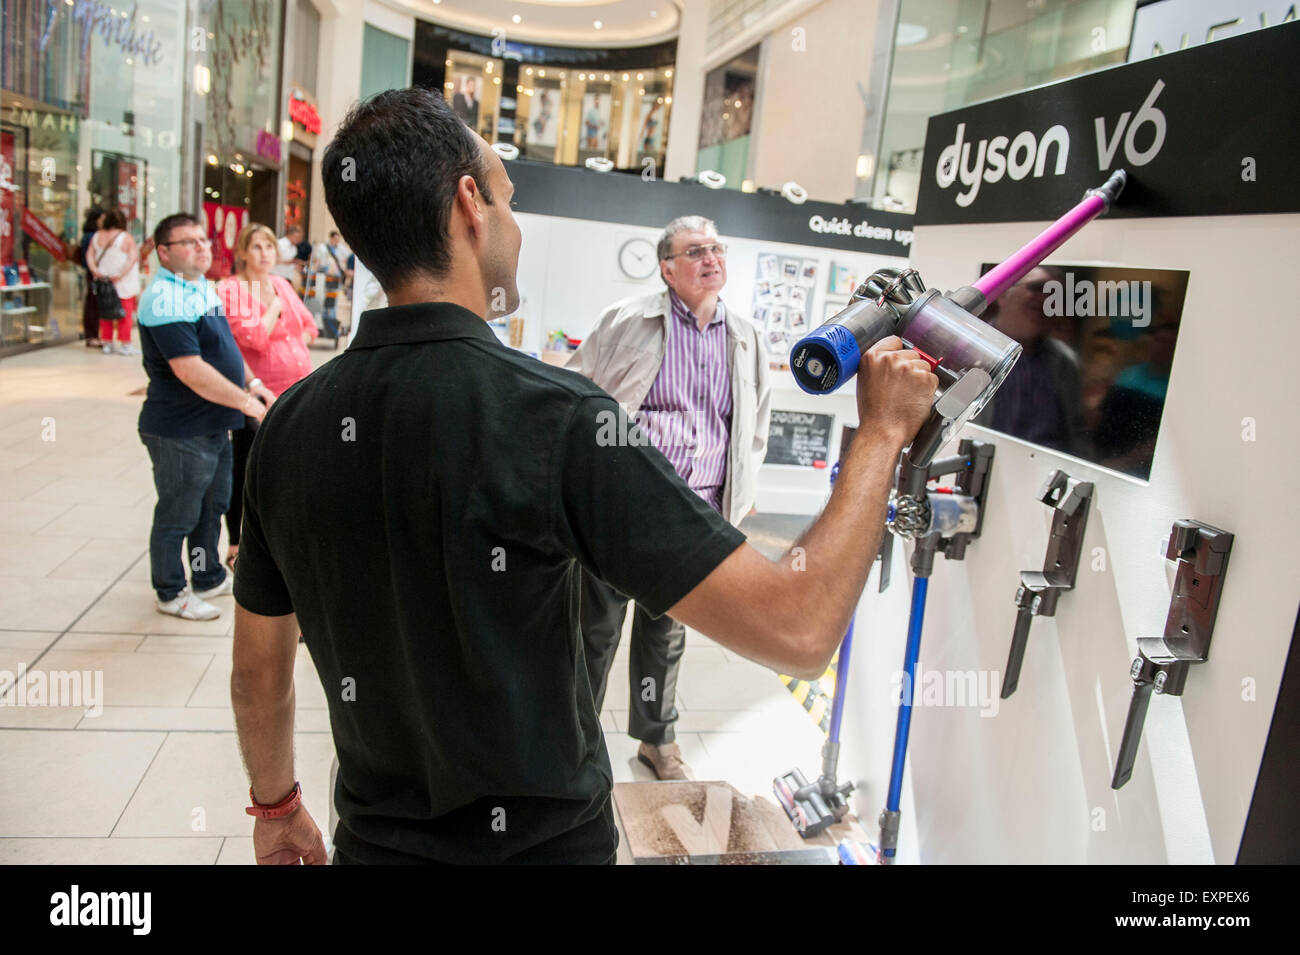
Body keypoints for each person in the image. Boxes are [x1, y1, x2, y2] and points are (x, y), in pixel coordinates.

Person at [229, 87, 935, 866]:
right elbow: (798, 630)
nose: (515, 225)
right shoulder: (554, 419)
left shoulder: (288, 428)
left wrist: (275, 806)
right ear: (470, 204)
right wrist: (880, 433)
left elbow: (259, 669)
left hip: (374, 843)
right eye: (508, 197)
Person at [566, 215, 771, 780]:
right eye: (695, 251)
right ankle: (577, 741)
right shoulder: (629, 320)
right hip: (623, 507)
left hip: (697, 514)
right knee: (596, 629)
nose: (710, 258)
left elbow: (753, 424)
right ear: (667, 268)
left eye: (716, 247)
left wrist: (742, 490)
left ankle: (657, 739)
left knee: (669, 630)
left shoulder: (745, 335)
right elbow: (578, 394)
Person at [137, 213, 279, 621]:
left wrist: (251, 384)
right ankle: (170, 591)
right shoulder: (164, 298)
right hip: (180, 429)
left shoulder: (198, 287)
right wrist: (245, 403)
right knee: (179, 512)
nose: (202, 247)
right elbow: (190, 369)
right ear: (163, 252)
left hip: (212, 424)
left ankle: (207, 575)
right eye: (188, 242)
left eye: (203, 240)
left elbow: (226, 348)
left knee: (211, 506)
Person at [217, 223, 318, 569]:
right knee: (247, 466)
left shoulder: (282, 284)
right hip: (258, 391)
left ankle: (281, 540)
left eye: (270, 247)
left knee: (288, 465)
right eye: (257, 247)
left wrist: (292, 348)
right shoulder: (231, 289)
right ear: (242, 252)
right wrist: (274, 307)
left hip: (297, 385)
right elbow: (254, 337)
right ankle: (235, 541)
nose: (265, 254)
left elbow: (309, 324)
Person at [974, 266, 1086, 457]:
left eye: (1055, 294)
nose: (1046, 298)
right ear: (1003, 294)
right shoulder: (970, 347)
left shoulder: (1065, 361)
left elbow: (1076, 431)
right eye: (1037, 287)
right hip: (984, 463)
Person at [86, 209, 141, 356]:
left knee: (105, 313)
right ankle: (125, 344)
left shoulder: (97, 236)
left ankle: (107, 343)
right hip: (122, 283)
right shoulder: (125, 237)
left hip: (103, 280)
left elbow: (89, 255)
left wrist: (95, 271)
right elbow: (132, 258)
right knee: (125, 313)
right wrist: (120, 274)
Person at [78, 207, 103, 347]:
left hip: (93, 272)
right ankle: (91, 335)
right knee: (93, 304)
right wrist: (94, 270)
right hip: (93, 273)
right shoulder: (92, 236)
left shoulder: (91, 235)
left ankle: (93, 334)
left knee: (93, 303)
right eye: (101, 219)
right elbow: (88, 258)